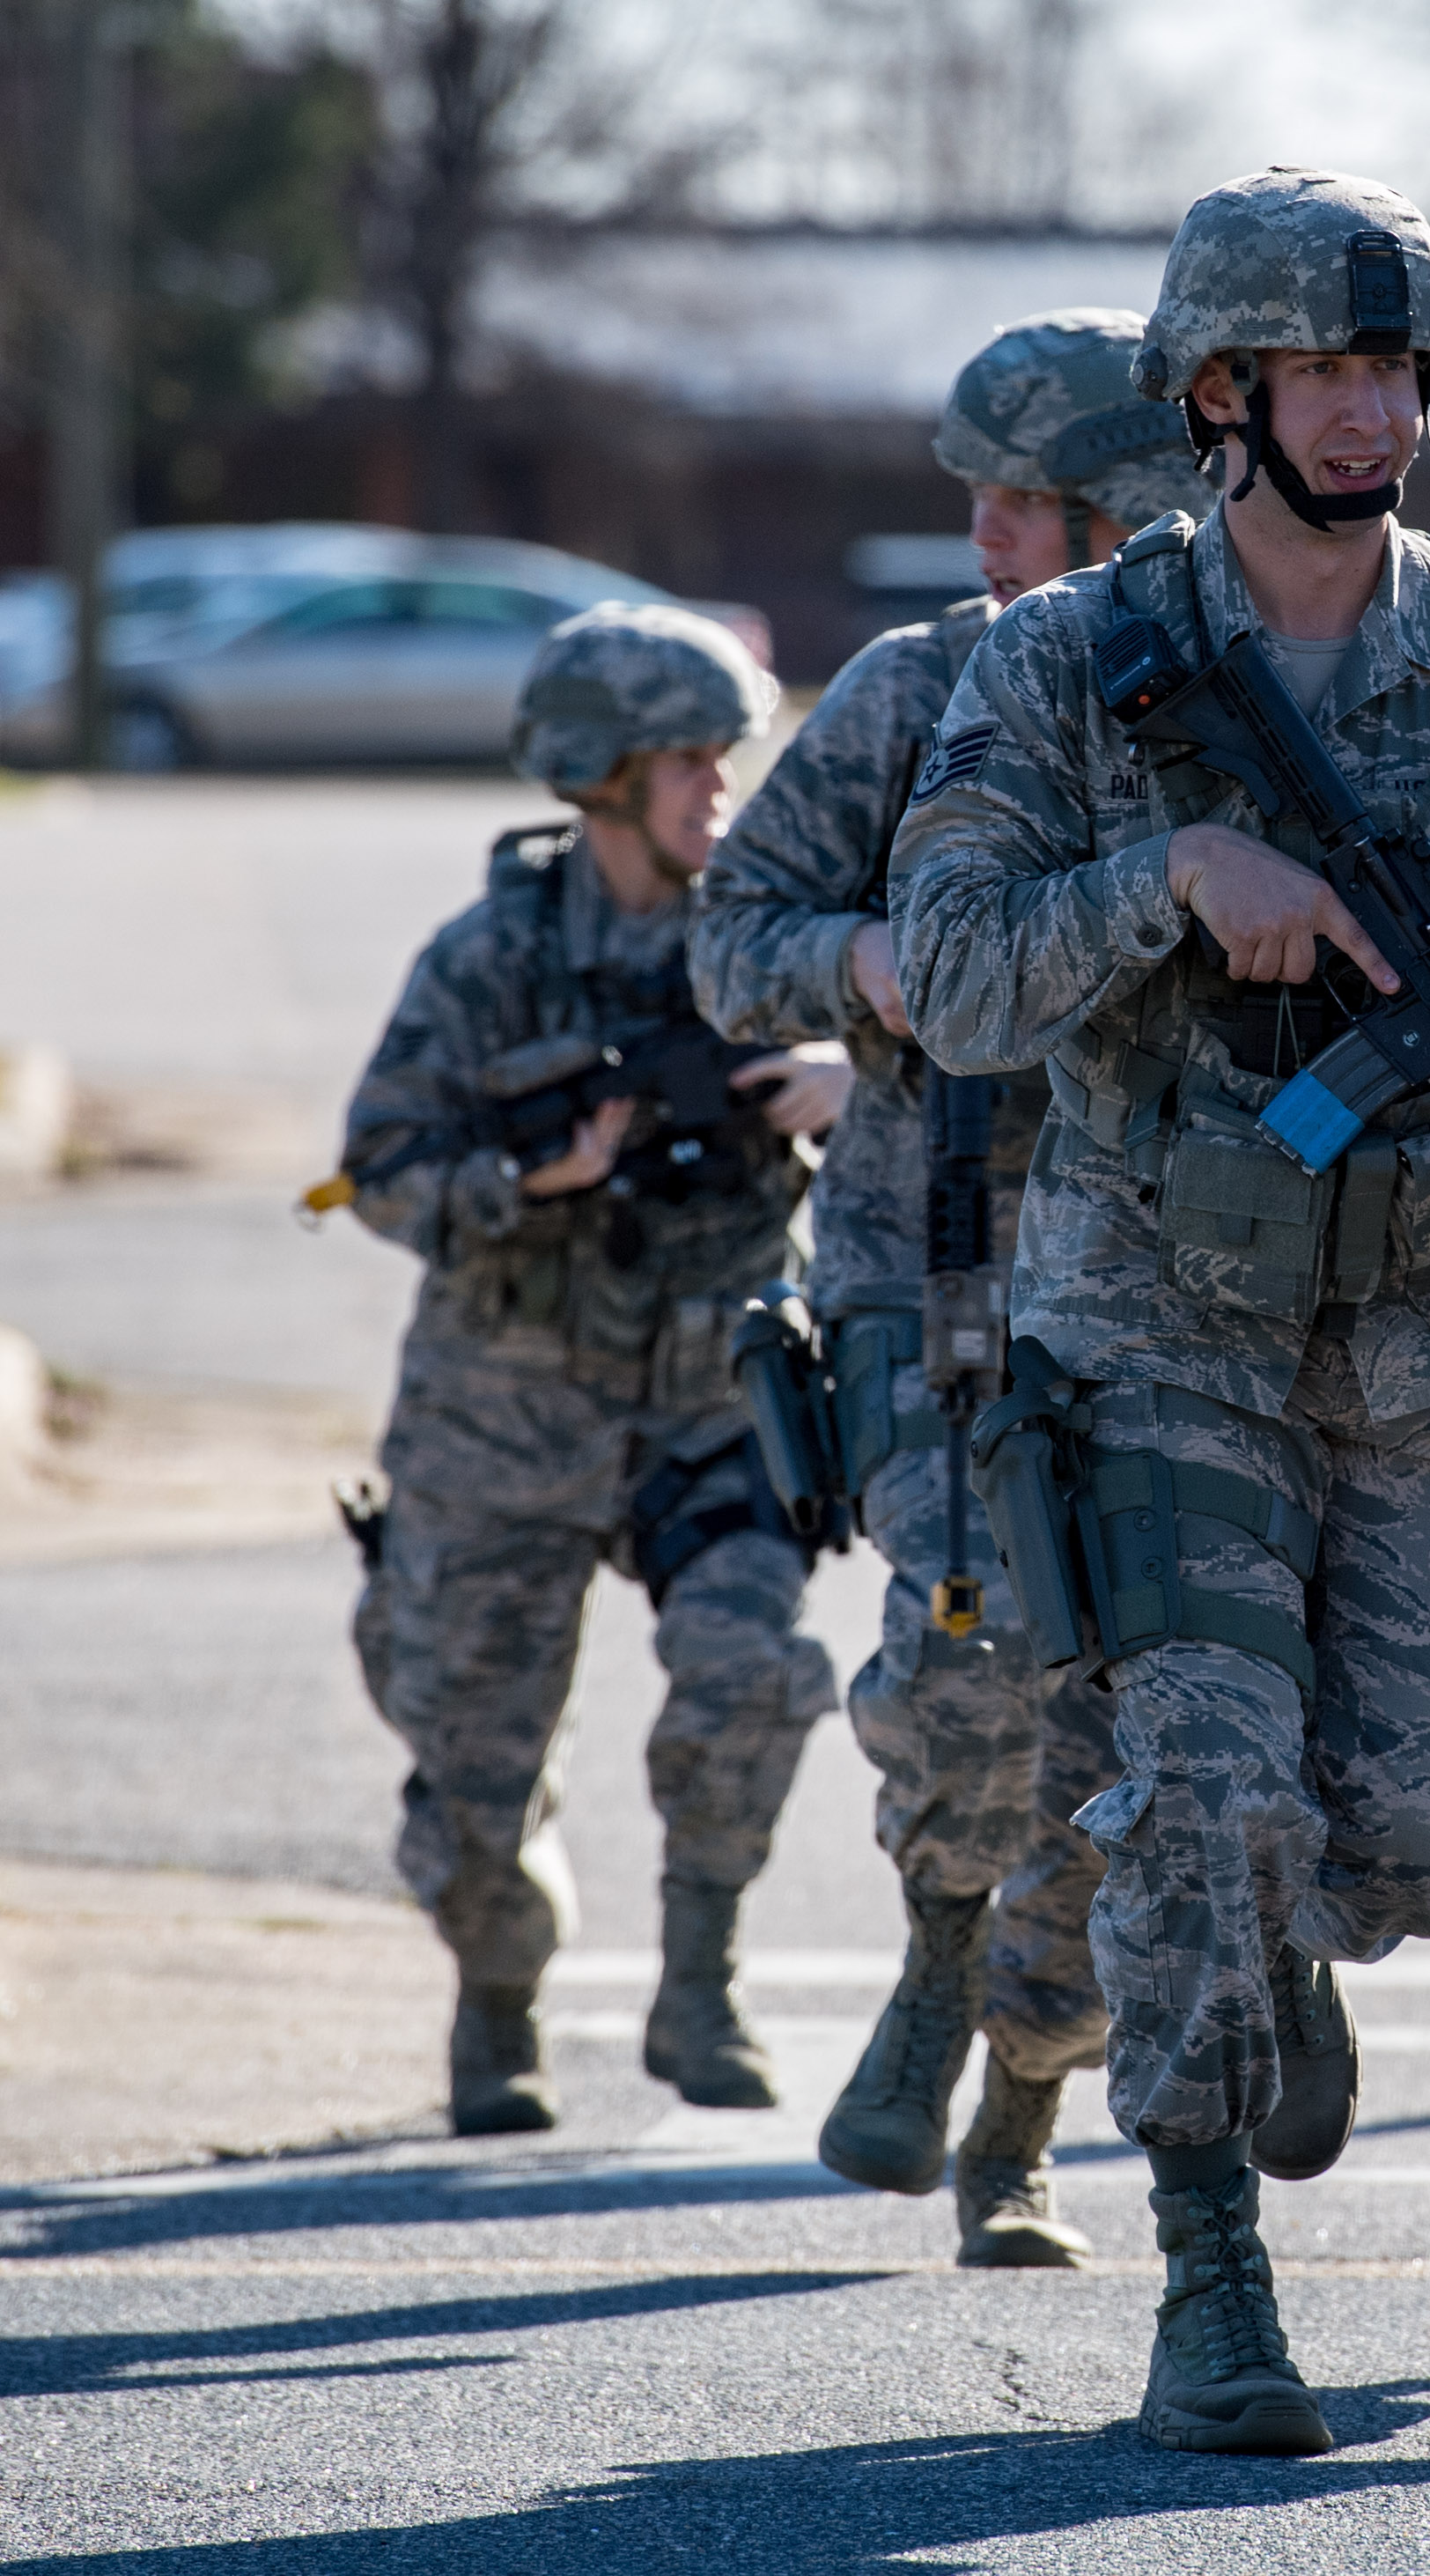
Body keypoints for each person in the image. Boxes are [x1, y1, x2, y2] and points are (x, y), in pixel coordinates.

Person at [891, 166, 1430, 2457]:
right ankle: (1209, 2271)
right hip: (1157, 1309)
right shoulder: (1064, 659)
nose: (1368, 409)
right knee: (1210, 1773)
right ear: (1219, 393)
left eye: (1395, 369)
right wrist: (1168, 876)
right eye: (1323, 370)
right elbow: (953, 983)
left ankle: (1226, 1925)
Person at [692, 311, 1216, 2268]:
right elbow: (728, 939)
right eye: (977, 499)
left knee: (1142, 1724)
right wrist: (865, 966)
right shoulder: (909, 694)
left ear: (1138, 508)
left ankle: (1023, 2095)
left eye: (1036, 504)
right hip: (944, 1276)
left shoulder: (1224, 702)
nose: (992, 537)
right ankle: (934, 1956)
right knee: (968, 1653)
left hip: (1180, 1280)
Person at [337, 603, 855, 2138]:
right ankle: (498, 1997)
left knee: (750, 1681)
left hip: (713, 1398)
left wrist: (844, 1078)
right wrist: (531, 1185)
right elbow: (373, 1167)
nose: (719, 788)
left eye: (726, 756)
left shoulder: (769, 941)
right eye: (686, 760)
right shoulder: (491, 956)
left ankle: (701, 1979)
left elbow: (930, 1067)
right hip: (506, 1409)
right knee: (472, 1758)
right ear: (600, 776)